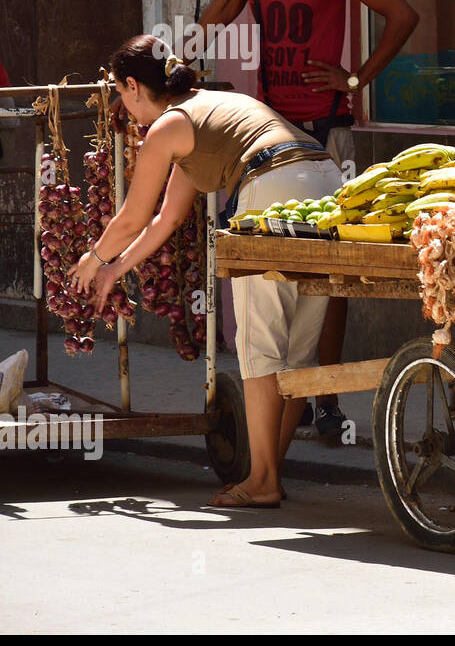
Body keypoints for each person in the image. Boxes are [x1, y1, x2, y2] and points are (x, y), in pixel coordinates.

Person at [72, 36, 340, 507]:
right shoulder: (207, 111)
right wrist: (116, 269)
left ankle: (262, 482)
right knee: (297, 349)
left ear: (134, 86)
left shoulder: (167, 127)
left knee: (259, 345)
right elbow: (166, 220)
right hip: (324, 178)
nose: (123, 106)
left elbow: (132, 217)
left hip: (272, 186)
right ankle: (267, 475)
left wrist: (92, 259)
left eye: (120, 92)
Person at [198, 0, 419, 442]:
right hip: (270, 134)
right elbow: (209, 25)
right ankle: (283, 390)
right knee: (268, 254)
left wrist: (356, 78)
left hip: (327, 130)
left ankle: (326, 398)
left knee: (331, 265)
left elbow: (402, 14)